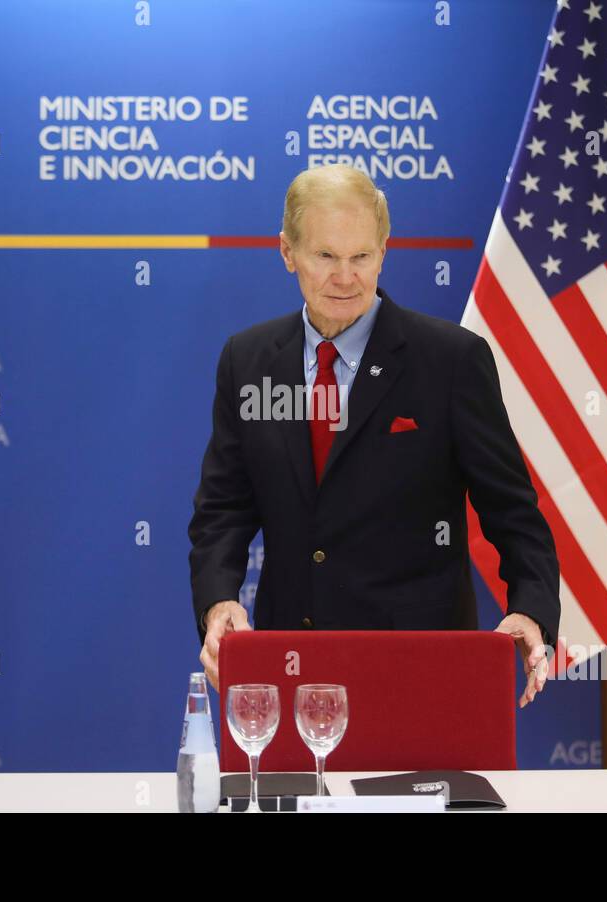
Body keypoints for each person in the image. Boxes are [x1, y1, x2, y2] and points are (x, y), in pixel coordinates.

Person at [189, 164, 561, 706]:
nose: (345, 277)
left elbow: (513, 511)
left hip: (420, 672)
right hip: (291, 666)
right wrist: (219, 601)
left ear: (383, 252)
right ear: (287, 252)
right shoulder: (247, 361)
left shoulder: (451, 361)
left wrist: (530, 608)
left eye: (361, 256)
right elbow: (223, 510)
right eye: (325, 256)